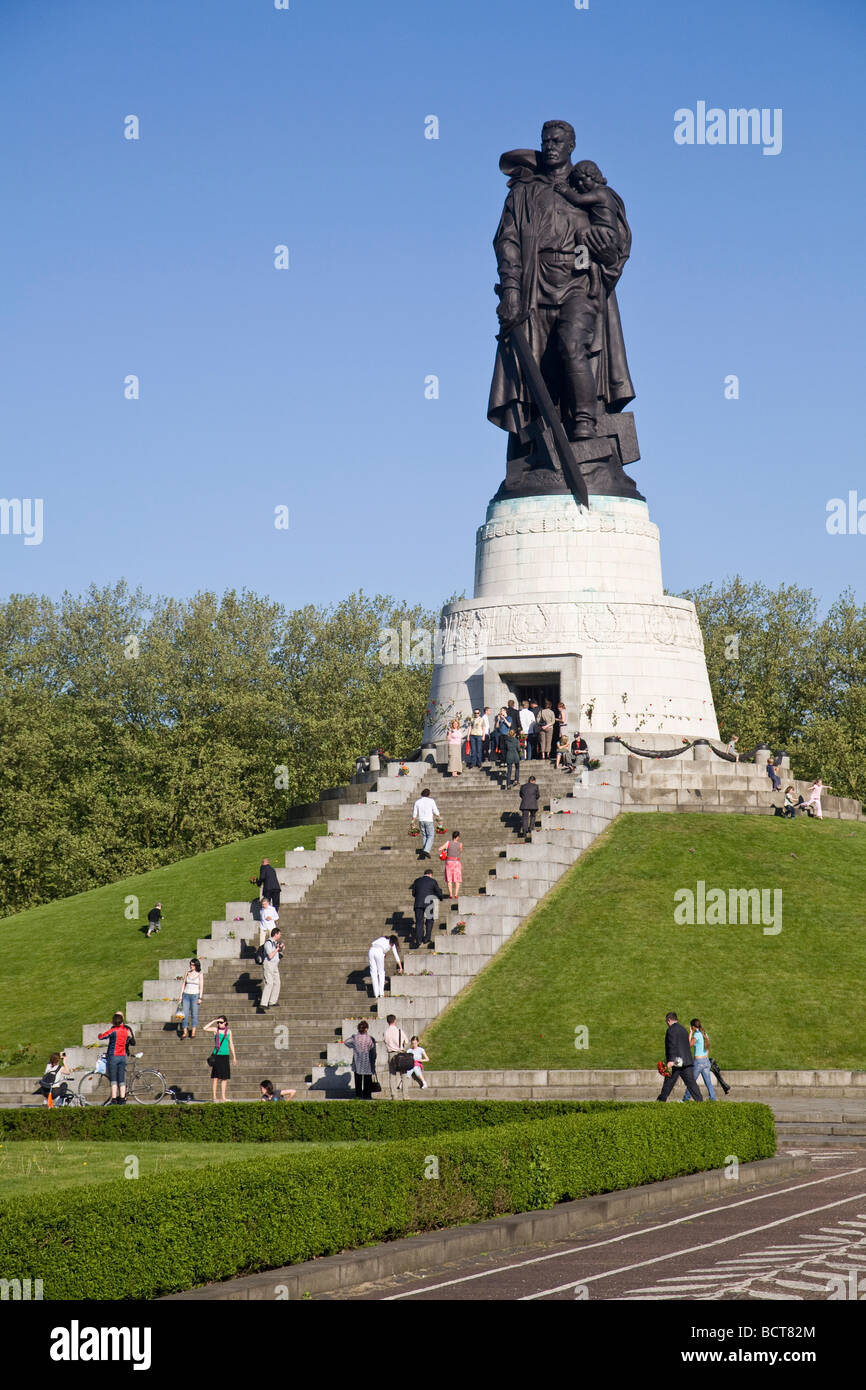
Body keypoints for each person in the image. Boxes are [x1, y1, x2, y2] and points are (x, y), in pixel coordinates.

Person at [488, 120, 634, 447]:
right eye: (546, 141)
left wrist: (607, 251)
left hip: (579, 282)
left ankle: (585, 422)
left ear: (571, 146)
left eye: (557, 141)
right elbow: (506, 241)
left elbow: (617, 245)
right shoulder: (524, 192)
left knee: (572, 344)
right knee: (539, 368)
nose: (551, 146)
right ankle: (541, 445)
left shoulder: (589, 190)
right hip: (534, 285)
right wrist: (510, 289)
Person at [555, 159, 622, 235]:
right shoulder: (603, 191)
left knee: (582, 233)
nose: (580, 184)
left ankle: (581, 247)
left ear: (593, 176)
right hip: (605, 231)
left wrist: (565, 191)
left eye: (582, 179)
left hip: (606, 231)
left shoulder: (600, 193)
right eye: (577, 181)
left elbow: (578, 199)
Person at [656, 1011, 703, 1102]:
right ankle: (700, 1101)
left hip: (676, 1062)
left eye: (666, 1021)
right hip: (687, 1061)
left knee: (668, 1083)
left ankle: (660, 1101)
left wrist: (671, 1061)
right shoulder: (683, 1029)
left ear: (669, 1020)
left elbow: (672, 1045)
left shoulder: (671, 1030)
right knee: (691, 1083)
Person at [97, 1011, 136, 1104]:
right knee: (121, 1079)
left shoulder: (113, 1030)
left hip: (113, 1056)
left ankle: (114, 1099)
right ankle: (122, 1099)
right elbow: (131, 1038)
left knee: (114, 1079)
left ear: (114, 1022)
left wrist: (99, 1034)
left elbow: (102, 1037)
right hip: (122, 1056)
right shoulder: (126, 1031)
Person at [681, 1019, 716, 1102]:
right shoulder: (704, 1034)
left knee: (691, 1082)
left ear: (693, 1027)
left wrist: (690, 1033)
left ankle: (685, 1099)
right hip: (706, 1060)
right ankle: (713, 1099)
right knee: (708, 1082)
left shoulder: (696, 1035)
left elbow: (688, 1045)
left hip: (698, 1062)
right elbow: (707, 1048)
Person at [204, 1016, 236, 1103]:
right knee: (215, 1077)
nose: (219, 1024)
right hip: (217, 1055)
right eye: (218, 1022)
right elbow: (205, 1028)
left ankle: (223, 1097)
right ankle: (214, 1096)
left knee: (224, 1078)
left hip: (225, 1055)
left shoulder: (229, 1031)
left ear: (225, 1022)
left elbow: (231, 1044)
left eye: (221, 1022)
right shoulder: (215, 1030)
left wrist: (234, 1056)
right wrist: (214, 1020)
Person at [409, 870, 444, 947]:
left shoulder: (417, 881)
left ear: (424, 874)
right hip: (429, 903)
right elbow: (438, 891)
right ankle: (427, 938)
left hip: (418, 903)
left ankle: (419, 939)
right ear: (431, 874)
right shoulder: (433, 881)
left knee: (419, 922)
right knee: (429, 920)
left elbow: (413, 893)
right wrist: (441, 897)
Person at [344, 1019, 377, 1099]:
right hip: (367, 1061)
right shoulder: (370, 1038)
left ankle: (358, 1095)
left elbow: (346, 1042)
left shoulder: (355, 1037)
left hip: (357, 1060)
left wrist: (353, 1046)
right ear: (366, 1029)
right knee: (367, 1079)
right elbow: (373, 1050)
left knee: (358, 1078)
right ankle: (367, 1095)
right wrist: (373, 1060)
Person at [177, 958, 204, 1040]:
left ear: (196, 965)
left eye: (193, 964)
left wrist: (200, 997)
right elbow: (183, 984)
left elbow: (201, 986)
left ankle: (193, 1031)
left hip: (195, 996)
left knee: (194, 1014)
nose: (191, 966)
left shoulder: (200, 974)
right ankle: (185, 1031)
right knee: (184, 1014)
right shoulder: (187, 973)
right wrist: (180, 996)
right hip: (186, 995)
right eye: (190, 964)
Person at [384, 1013, 409, 1098]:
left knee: (392, 1075)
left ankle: (394, 1095)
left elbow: (385, 1042)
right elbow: (406, 1041)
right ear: (395, 1021)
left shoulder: (386, 1032)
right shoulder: (399, 1031)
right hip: (400, 1053)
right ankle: (405, 1095)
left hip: (391, 1054)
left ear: (388, 1022)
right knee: (403, 1075)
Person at [258, 927, 284, 1011]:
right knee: (269, 983)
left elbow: (279, 954)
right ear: (275, 934)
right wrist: (277, 949)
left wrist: (281, 948)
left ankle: (272, 1001)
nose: (280, 935)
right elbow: (270, 956)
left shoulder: (275, 943)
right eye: (279, 934)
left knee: (277, 983)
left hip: (275, 965)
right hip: (268, 964)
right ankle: (263, 1003)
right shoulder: (268, 943)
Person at [412, 788, 441, 860]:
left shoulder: (417, 802)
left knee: (425, 835)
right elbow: (435, 810)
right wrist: (439, 817)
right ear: (428, 794)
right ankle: (426, 850)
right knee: (431, 835)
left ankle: (424, 850)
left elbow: (415, 813)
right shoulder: (431, 801)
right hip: (428, 820)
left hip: (421, 820)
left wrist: (413, 821)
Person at [443, 830, 463, 899]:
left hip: (449, 862)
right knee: (457, 879)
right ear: (457, 837)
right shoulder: (460, 844)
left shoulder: (448, 843)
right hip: (456, 862)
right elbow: (460, 851)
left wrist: (445, 850)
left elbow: (440, 848)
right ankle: (456, 894)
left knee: (449, 879)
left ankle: (451, 895)